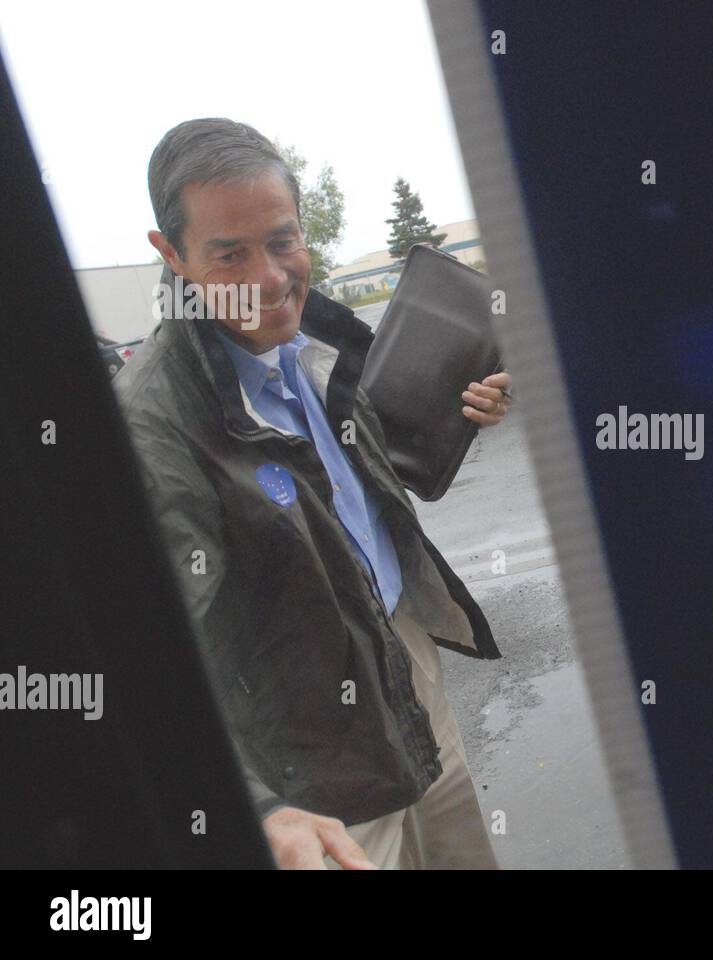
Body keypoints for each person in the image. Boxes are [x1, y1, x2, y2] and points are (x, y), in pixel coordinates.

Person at [113, 117, 511, 869]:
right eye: (229, 254)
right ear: (171, 255)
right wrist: (258, 804)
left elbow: (370, 462)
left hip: (407, 665)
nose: (269, 277)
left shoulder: (321, 339)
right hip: (308, 763)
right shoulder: (153, 423)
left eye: (282, 240)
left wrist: (465, 412)